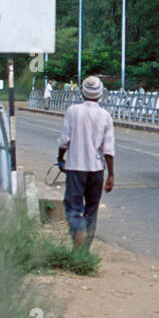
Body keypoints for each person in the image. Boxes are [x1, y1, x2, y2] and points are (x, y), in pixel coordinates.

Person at [57, 76, 115, 248]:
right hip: (96, 169)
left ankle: (78, 228)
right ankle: (83, 250)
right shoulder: (105, 116)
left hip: (75, 167)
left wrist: (60, 158)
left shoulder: (72, 111)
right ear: (100, 94)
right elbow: (108, 149)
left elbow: (64, 140)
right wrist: (111, 174)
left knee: (73, 207)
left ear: (82, 92)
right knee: (91, 209)